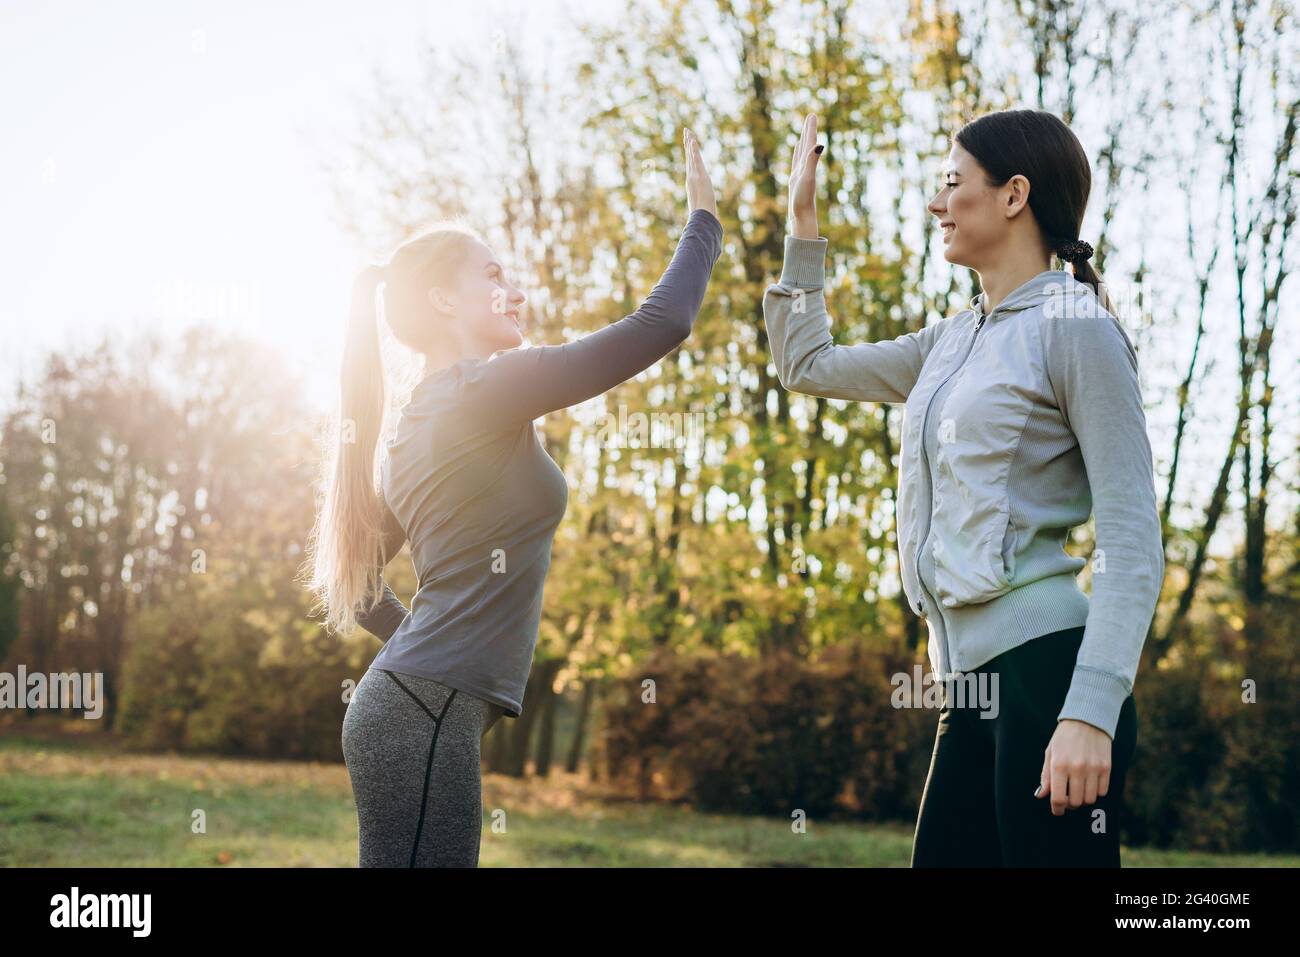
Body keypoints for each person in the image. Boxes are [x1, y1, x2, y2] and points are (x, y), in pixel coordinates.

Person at [304, 128, 722, 867]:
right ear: (441, 299)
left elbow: (366, 590)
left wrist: (431, 652)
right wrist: (704, 221)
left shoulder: (421, 422)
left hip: (417, 707)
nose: (516, 291)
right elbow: (664, 323)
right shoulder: (478, 393)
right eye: (493, 275)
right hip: (423, 711)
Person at [763, 110, 1164, 866]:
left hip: (1049, 677)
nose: (935, 202)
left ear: (1015, 195)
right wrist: (802, 224)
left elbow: (1132, 540)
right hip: (966, 692)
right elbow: (806, 364)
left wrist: (1090, 710)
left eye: (952, 182)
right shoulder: (951, 338)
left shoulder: (1077, 327)